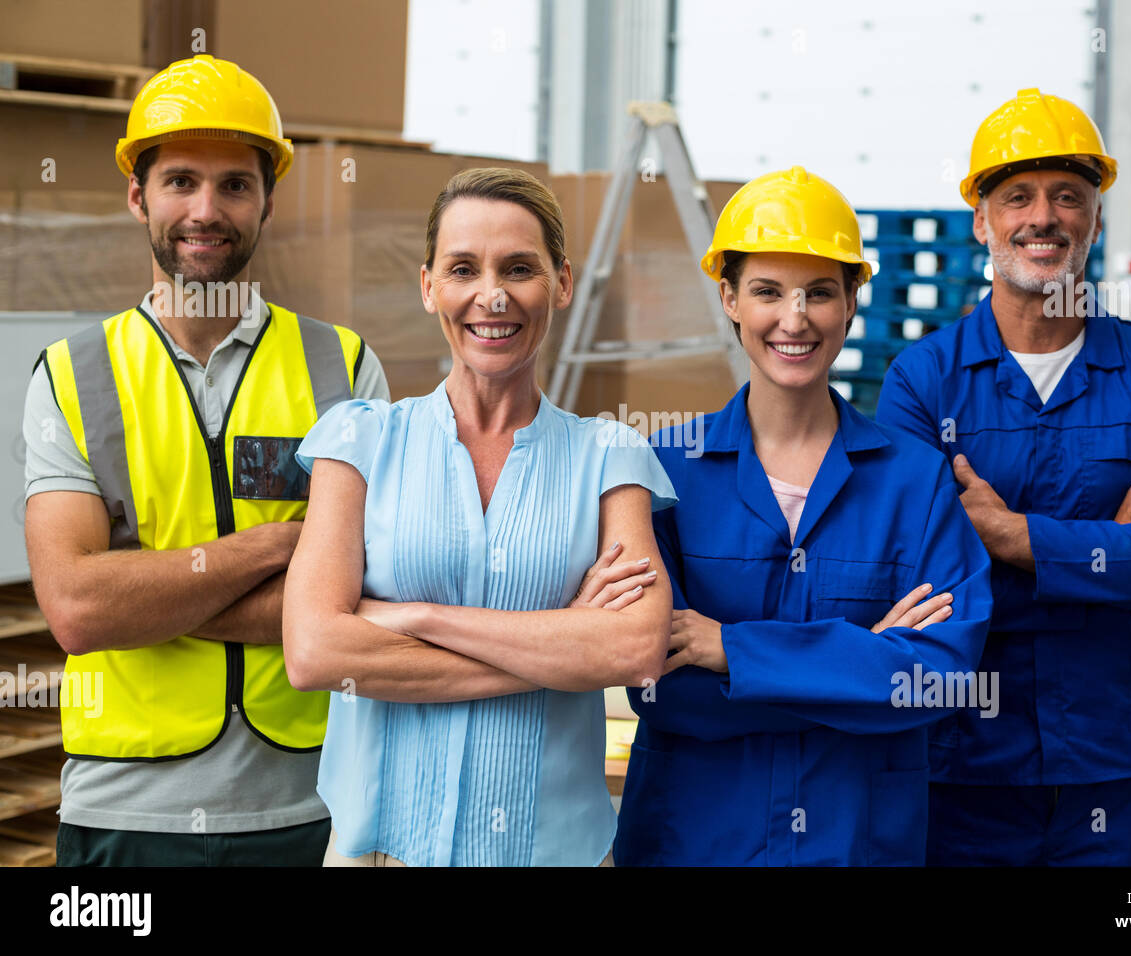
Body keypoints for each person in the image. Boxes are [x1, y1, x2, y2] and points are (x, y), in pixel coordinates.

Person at [23, 54, 390, 866]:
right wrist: (278, 549)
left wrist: (142, 593)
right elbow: (78, 612)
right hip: (125, 815)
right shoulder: (72, 376)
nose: (205, 209)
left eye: (234, 185)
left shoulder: (345, 367)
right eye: (181, 180)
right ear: (137, 196)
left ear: (266, 202)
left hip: (313, 806)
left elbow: (368, 592)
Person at [875, 88, 1131, 866]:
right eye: (1017, 197)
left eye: (1069, 196)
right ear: (982, 221)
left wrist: (1006, 536)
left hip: (1109, 764)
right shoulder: (923, 380)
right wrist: (1114, 544)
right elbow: (909, 583)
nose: (1044, 217)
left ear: (1095, 220)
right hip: (960, 763)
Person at [282, 166, 676, 867]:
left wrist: (415, 617)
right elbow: (315, 652)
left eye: (518, 268)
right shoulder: (360, 441)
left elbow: (632, 651)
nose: (491, 295)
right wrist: (563, 649)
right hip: (381, 854)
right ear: (430, 284)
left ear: (560, 281)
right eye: (464, 268)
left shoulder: (610, 455)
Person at [612, 167, 994, 866]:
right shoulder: (663, 470)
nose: (795, 319)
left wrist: (730, 650)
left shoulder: (915, 481)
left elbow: (940, 679)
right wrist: (862, 661)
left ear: (852, 302)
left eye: (820, 292)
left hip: (854, 842)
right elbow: (657, 687)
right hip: (696, 841)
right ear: (729, 298)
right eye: (767, 291)